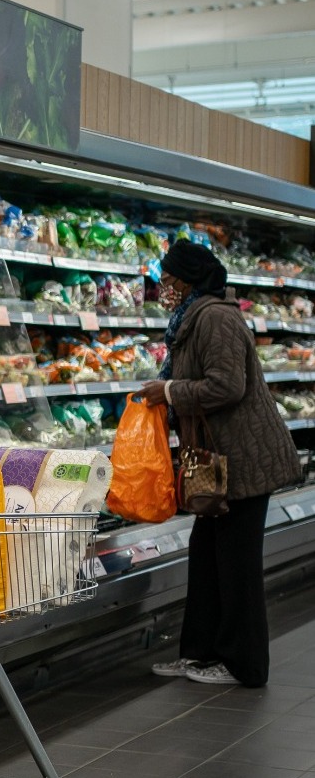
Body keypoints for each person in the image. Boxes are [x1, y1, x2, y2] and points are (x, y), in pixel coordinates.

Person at [140, 241, 301, 687]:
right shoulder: (191, 317)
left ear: (188, 280)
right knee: (207, 558)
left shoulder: (216, 317)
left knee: (236, 566)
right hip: (212, 459)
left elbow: (228, 386)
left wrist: (168, 393)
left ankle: (243, 665)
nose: (164, 289)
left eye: (169, 281)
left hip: (243, 459)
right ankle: (199, 653)